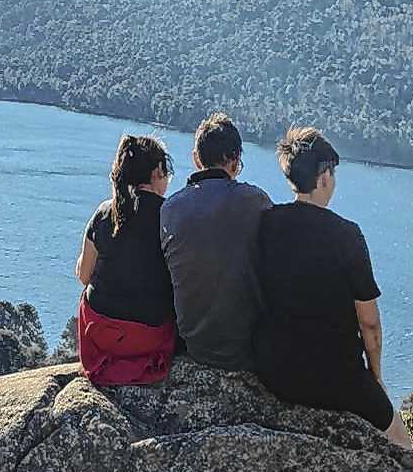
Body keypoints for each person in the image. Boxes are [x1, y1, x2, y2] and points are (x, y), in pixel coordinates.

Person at [253, 126, 413, 447]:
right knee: (403, 442)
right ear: (324, 176)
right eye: (333, 173)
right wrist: (376, 379)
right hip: (335, 380)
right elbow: (369, 324)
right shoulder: (347, 235)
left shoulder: (267, 222)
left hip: (275, 370)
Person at [159, 112, 271, 370]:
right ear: (235, 160)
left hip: (193, 344)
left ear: (196, 159)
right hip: (246, 347)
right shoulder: (256, 202)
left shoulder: (170, 208)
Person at [74, 133, 177, 386]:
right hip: (149, 337)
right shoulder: (171, 217)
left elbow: (84, 276)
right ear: (158, 171)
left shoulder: (105, 212)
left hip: (101, 335)